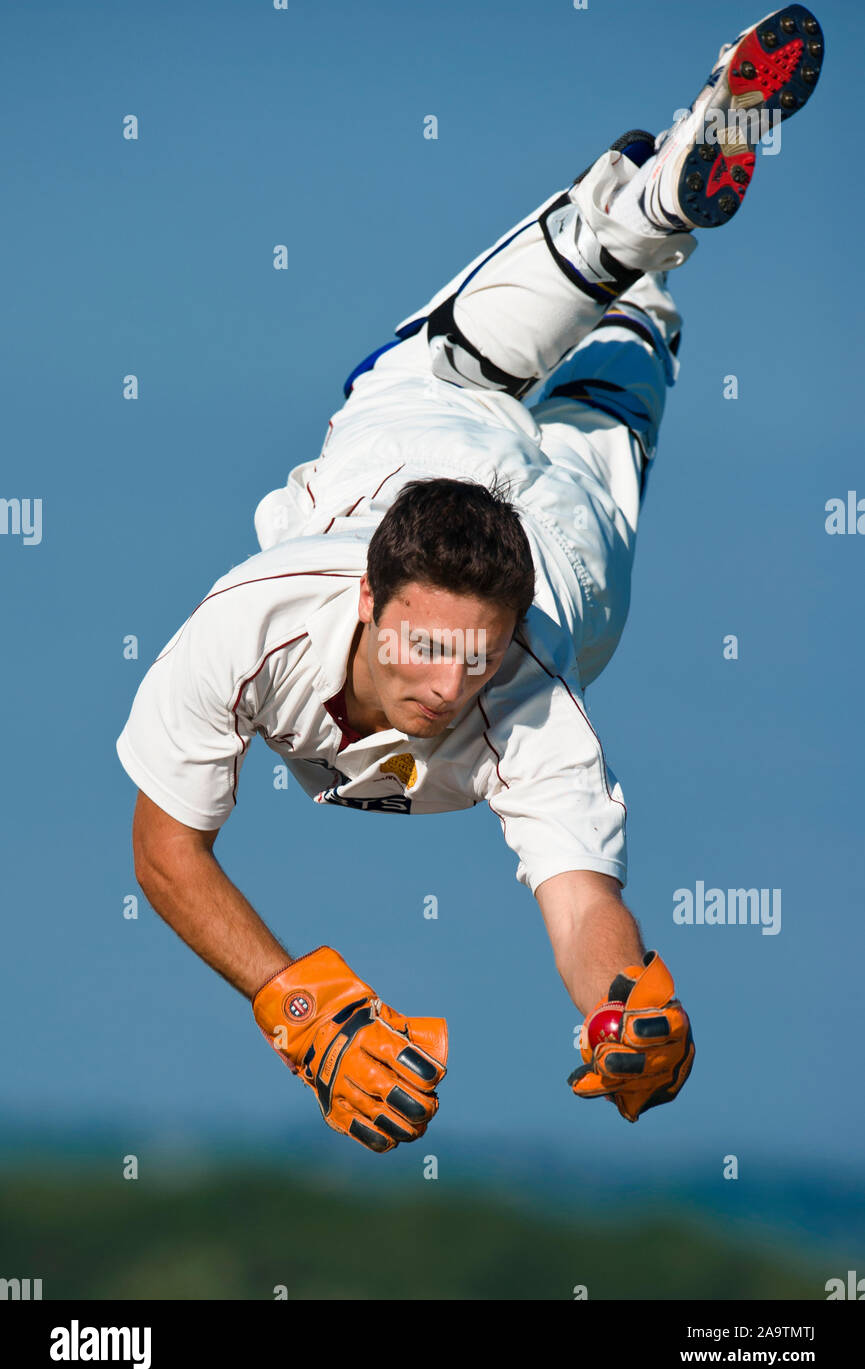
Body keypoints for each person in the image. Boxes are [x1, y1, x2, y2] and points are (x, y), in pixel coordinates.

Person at [117, 7, 823, 1151]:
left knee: (567, 367)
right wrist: (299, 1010)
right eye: (423, 647)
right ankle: (637, 246)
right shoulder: (244, 629)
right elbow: (163, 847)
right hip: (408, 452)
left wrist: (621, 1006)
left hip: (553, 538)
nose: (448, 686)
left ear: (504, 641)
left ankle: (640, 232)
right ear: (364, 599)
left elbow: (580, 898)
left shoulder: (531, 683)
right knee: (487, 365)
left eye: (472, 657)